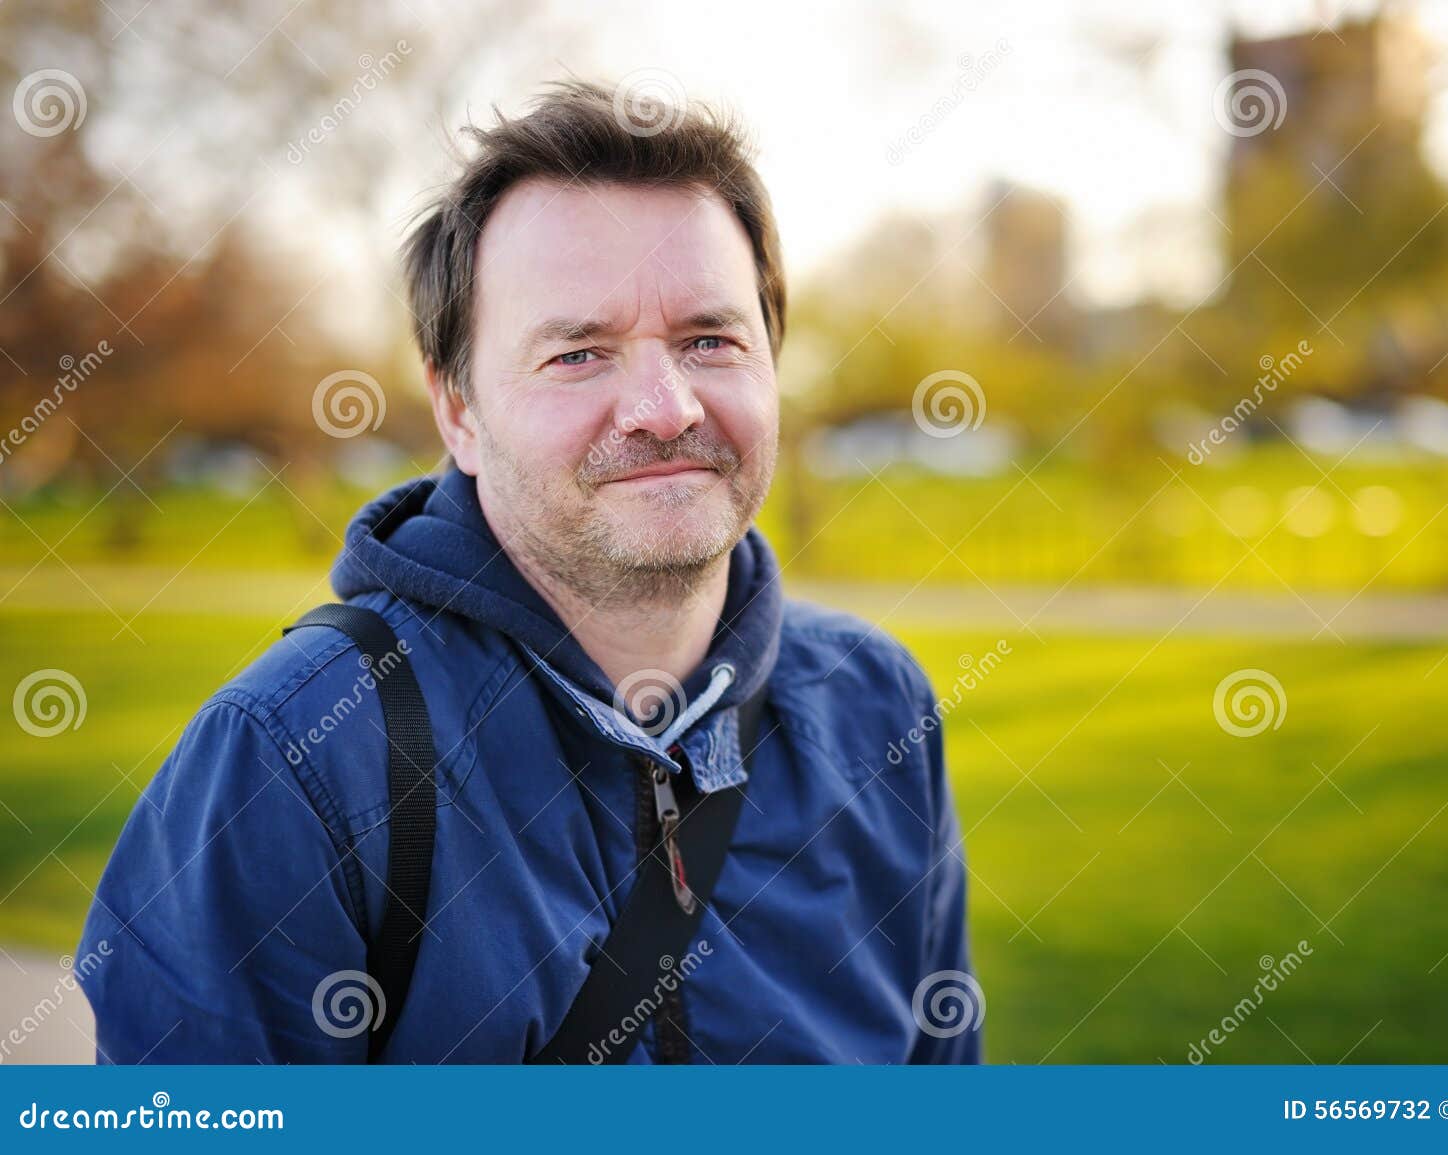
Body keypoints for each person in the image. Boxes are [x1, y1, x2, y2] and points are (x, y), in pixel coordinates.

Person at [77, 78, 978, 1064]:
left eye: (710, 340)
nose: (664, 406)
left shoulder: (876, 705)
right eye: (579, 354)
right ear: (457, 410)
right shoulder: (292, 761)